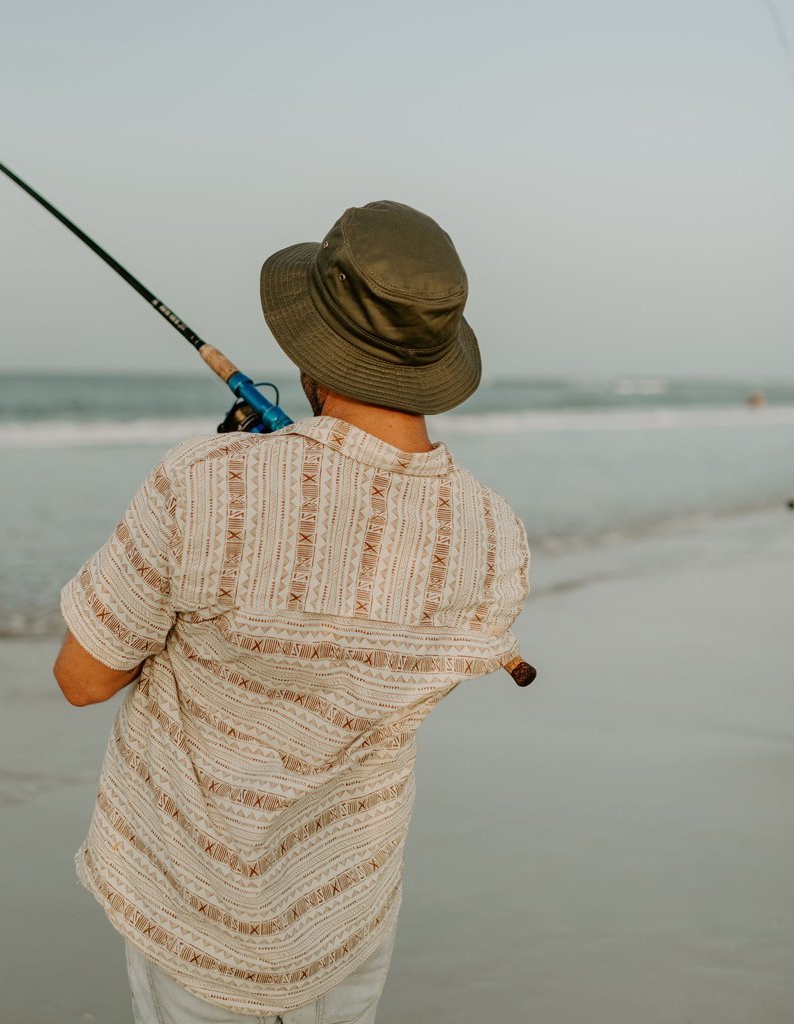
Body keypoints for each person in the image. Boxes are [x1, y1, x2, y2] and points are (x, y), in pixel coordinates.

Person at [53, 200, 531, 1023]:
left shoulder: (206, 484)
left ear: (314, 352)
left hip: (197, 914)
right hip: (346, 906)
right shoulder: (498, 537)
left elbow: (83, 679)